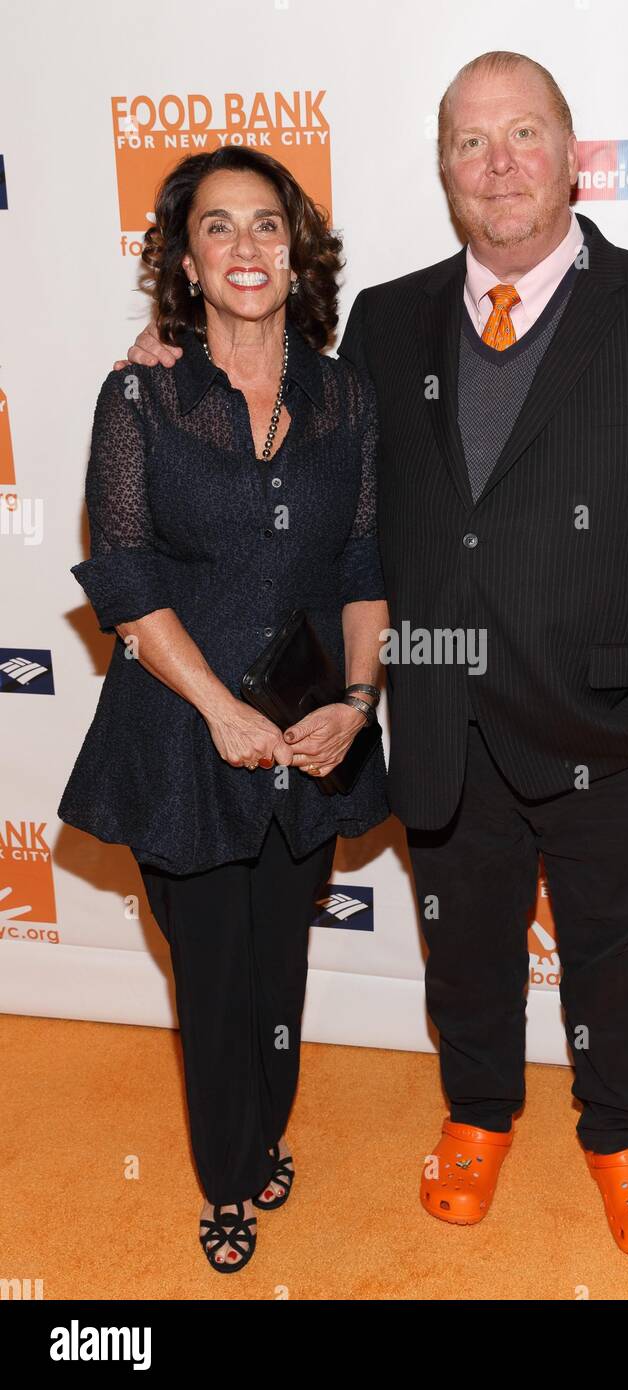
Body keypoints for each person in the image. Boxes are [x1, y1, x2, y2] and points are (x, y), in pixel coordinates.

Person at [118, 52, 628, 1259]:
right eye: (470, 144)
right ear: (443, 171)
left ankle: (622, 1136)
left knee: (617, 947)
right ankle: (477, 1113)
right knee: (463, 944)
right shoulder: (386, 319)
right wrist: (176, 360)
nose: (499, 165)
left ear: (571, 155)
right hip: (442, 710)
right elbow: (306, 473)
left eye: (523, 135)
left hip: (621, 716)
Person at [58, 146, 389, 1272]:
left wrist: (355, 699)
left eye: (266, 225)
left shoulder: (346, 394)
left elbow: (361, 559)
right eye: (217, 227)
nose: (244, 247)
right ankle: (226, 1178)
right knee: (210, 972)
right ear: (184, 262)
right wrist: (214, 709)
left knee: (276, 963)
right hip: (179, 735)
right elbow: (128, 578)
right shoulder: (142, 394)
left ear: (296, 253)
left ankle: (264, 1132)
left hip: (306, 730)